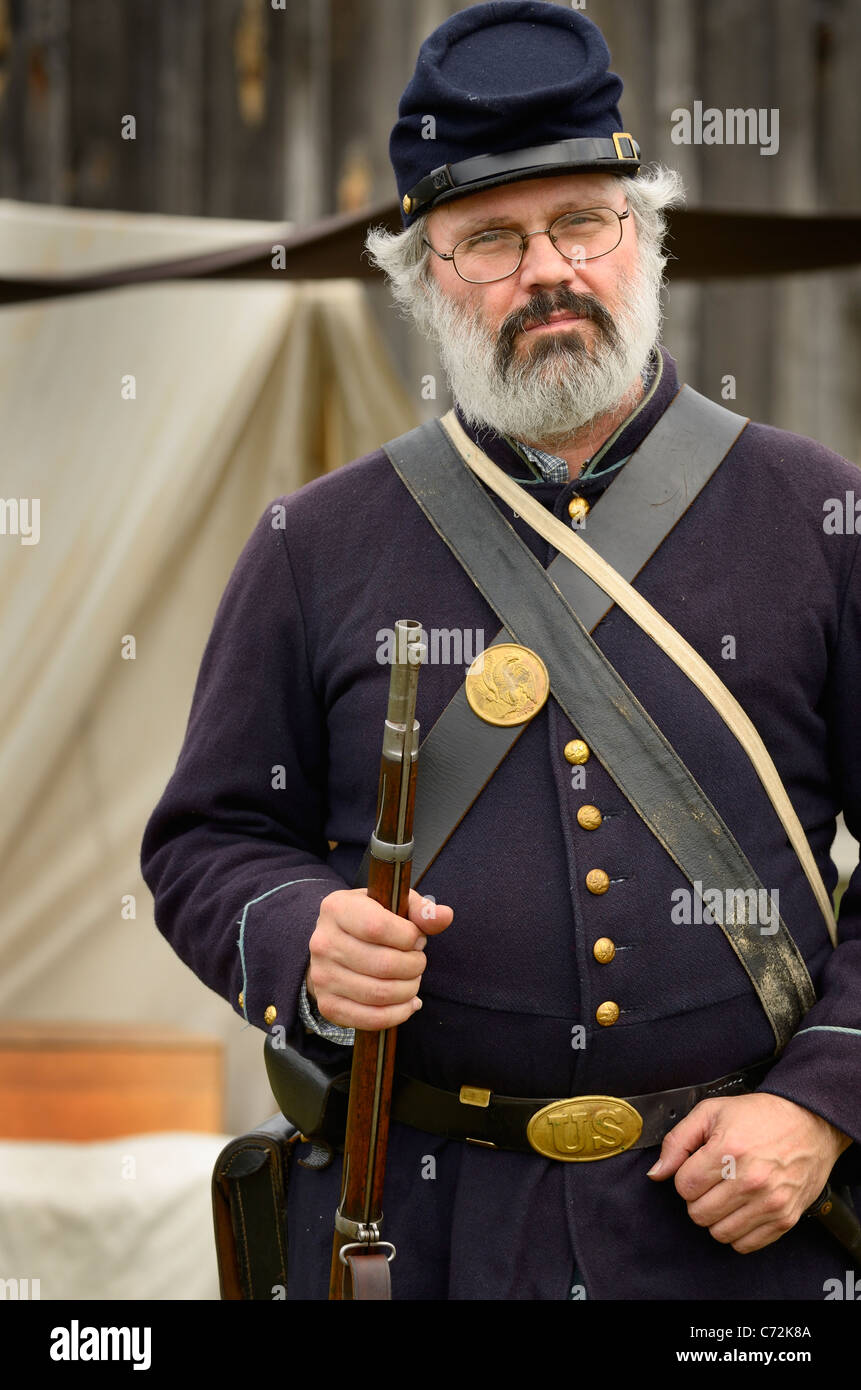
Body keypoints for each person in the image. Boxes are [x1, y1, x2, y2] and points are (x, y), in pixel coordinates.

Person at [141, 1, 860, 1300]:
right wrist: (303, 931)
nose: (547, 271)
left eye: (580, 220)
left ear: (641, 237)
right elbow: (202, 841)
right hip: (422, 1234)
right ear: (424, 283)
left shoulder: (818, 516)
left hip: (743, 1226)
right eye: (486, 240)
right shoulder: (315, 541)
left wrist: (820, 1100)